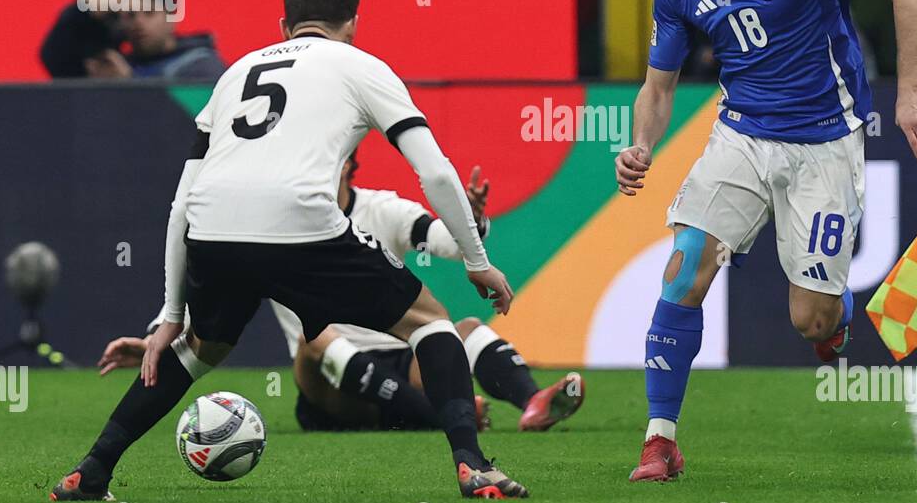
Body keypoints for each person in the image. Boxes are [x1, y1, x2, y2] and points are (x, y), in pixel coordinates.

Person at [51, 0, 529, 501]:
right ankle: (472, 466)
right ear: (352, 25)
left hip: (212, 228)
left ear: (284, 25)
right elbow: (437, 173)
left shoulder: (235, 73)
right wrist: (476, 257)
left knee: (198, 351)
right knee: (431, 322)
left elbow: (182, 200)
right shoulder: (360, 64)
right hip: (300, 221)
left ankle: (88, 473)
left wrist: (171, 315)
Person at [615, 0, 917, 482]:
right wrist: (640, 144)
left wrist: (909, 93)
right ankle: (660, 440)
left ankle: (834, 322)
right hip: (740, 134)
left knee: (809, 318)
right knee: (683, 268)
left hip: (826, 140)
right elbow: (658, 86)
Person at [99, 151, 585, 433]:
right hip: (328, 385)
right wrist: (164, 339)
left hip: (397, 359)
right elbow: (220, 301)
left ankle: (532, 403)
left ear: (349, 164)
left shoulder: (382, 209)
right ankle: (440, 415)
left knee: (466, 330)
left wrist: (470, 223)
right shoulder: (272, 225)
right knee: (316, 338)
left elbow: (440, 239)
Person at [40, 0, 225, 80]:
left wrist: (129, 84)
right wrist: (81, 11)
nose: (138, 23)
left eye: (149, 13)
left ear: (172, 16)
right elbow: (56, 61)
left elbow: (181, 120)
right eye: (130, 15)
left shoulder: (202, 66)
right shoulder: (115, 64)